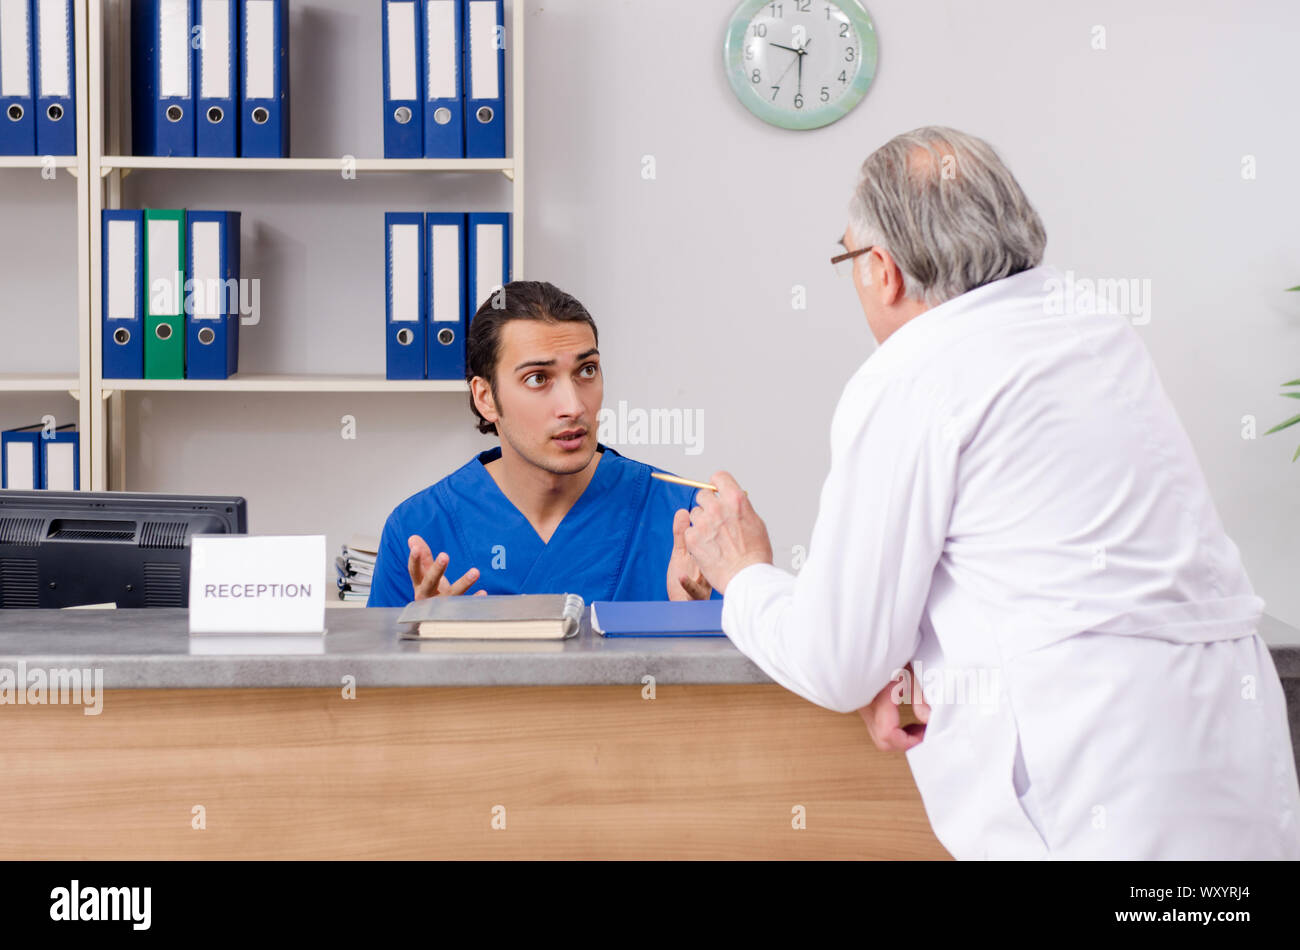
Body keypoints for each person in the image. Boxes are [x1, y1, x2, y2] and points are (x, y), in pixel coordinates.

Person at [681, 126, 1300, 859]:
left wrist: (741, 574)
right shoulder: (1091, 326)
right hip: (1229, 745)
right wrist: (913, 662)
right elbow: (1032, 554)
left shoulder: (915, 371)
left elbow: (838, 659)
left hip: (1098, 776)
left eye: (847, 257)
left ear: (881, 269)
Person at [367, 280, 715, 607]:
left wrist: (696, 627)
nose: (575, 407)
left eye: (587, 370)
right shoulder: (417, 532)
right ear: (486, 397)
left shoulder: (687, 520)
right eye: (537, 378)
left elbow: (744, 667)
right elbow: (378, 671)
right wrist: (427, 650)